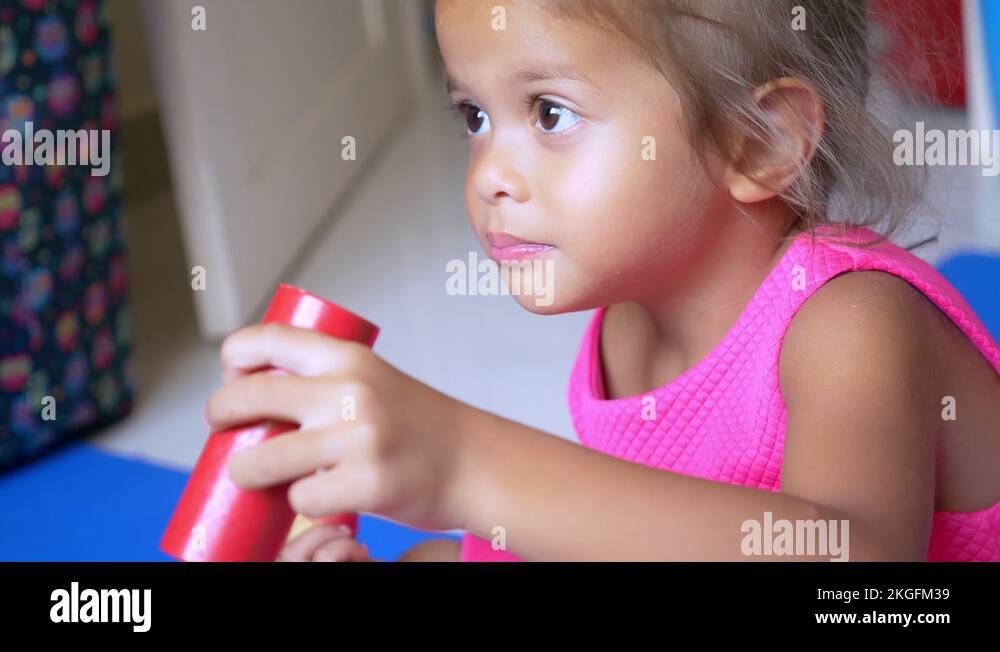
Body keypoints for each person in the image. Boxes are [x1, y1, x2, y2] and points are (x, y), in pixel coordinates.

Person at [205, 0, 1000, 561]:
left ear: (759, 141)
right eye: (474, 117)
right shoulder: (629, 319)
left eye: (550, 114)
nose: (489, 176)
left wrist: (464, 462)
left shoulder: (852, 321)